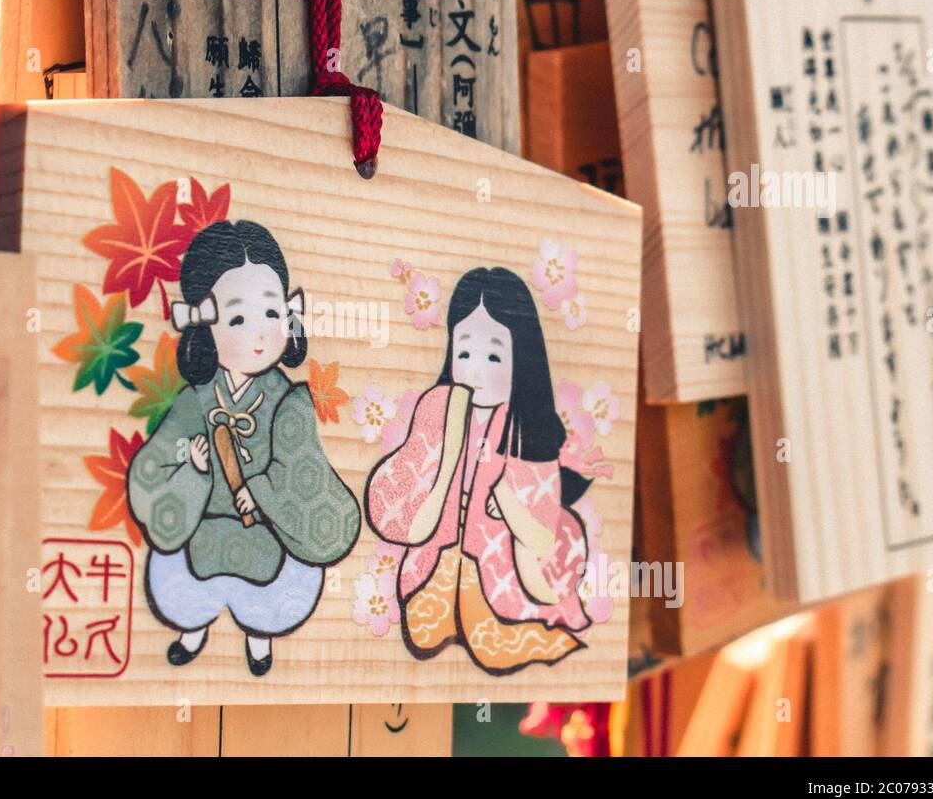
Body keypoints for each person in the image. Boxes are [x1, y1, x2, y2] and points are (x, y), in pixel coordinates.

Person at [128, 221, 360, 676]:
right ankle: (192, 630)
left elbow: (301, 465)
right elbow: (158, 460)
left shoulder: (288, 402)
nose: (258, 333)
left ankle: (259, 639)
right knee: (187, 580)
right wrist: (190, 468)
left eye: (270, 314)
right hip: (206, 523)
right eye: (237, 318)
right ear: (204, 324)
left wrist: (264, 489)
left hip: (265, 527)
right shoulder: (196, 398)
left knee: (267, 594)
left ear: (289, 313)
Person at [365, 266, 594, 675]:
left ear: (520, 360)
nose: (475, 369)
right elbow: (404, 502)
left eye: (493, 355)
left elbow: (540, 537)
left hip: (497, 571)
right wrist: (448, 457)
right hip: (436, 562)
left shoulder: (527, 427)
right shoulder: (438, 408)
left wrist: (502, 493)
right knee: (424, 628)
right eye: (464, 351)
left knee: (491, 640)